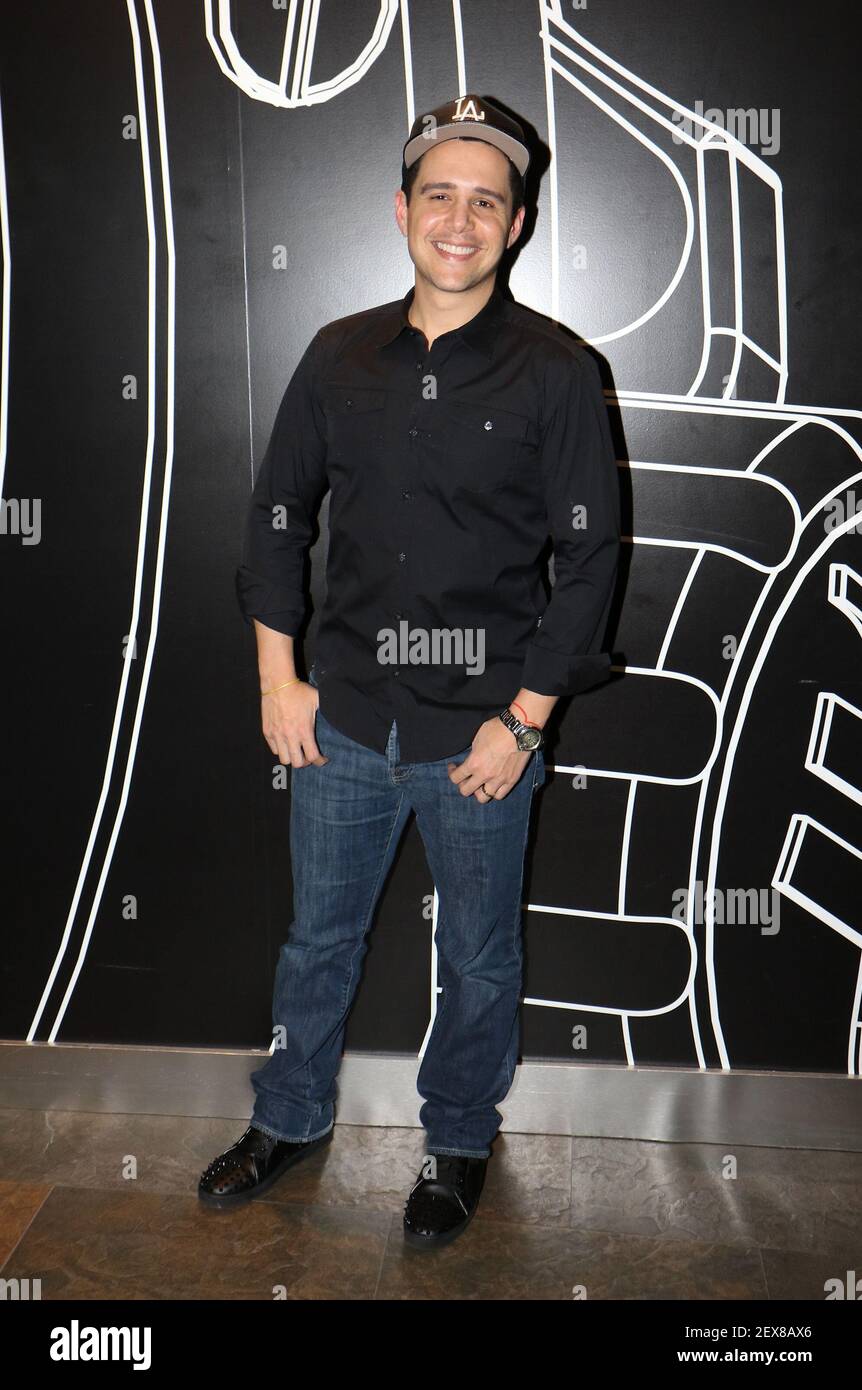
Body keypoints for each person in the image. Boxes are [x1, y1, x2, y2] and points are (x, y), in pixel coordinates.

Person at [198, 94, 621, 1249]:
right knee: (315, 944)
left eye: (486, 200)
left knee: (478, 957)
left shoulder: (556, 371)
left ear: (517, 225)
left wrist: (525, 723)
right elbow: (276, 520)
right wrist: (277, 684)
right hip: (340, 722)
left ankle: (458, 1141)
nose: (459, 217)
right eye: (439, 192)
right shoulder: (338, 354)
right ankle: (288, 1119)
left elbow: (590, 559)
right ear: (400, 209)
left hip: (483, 735)